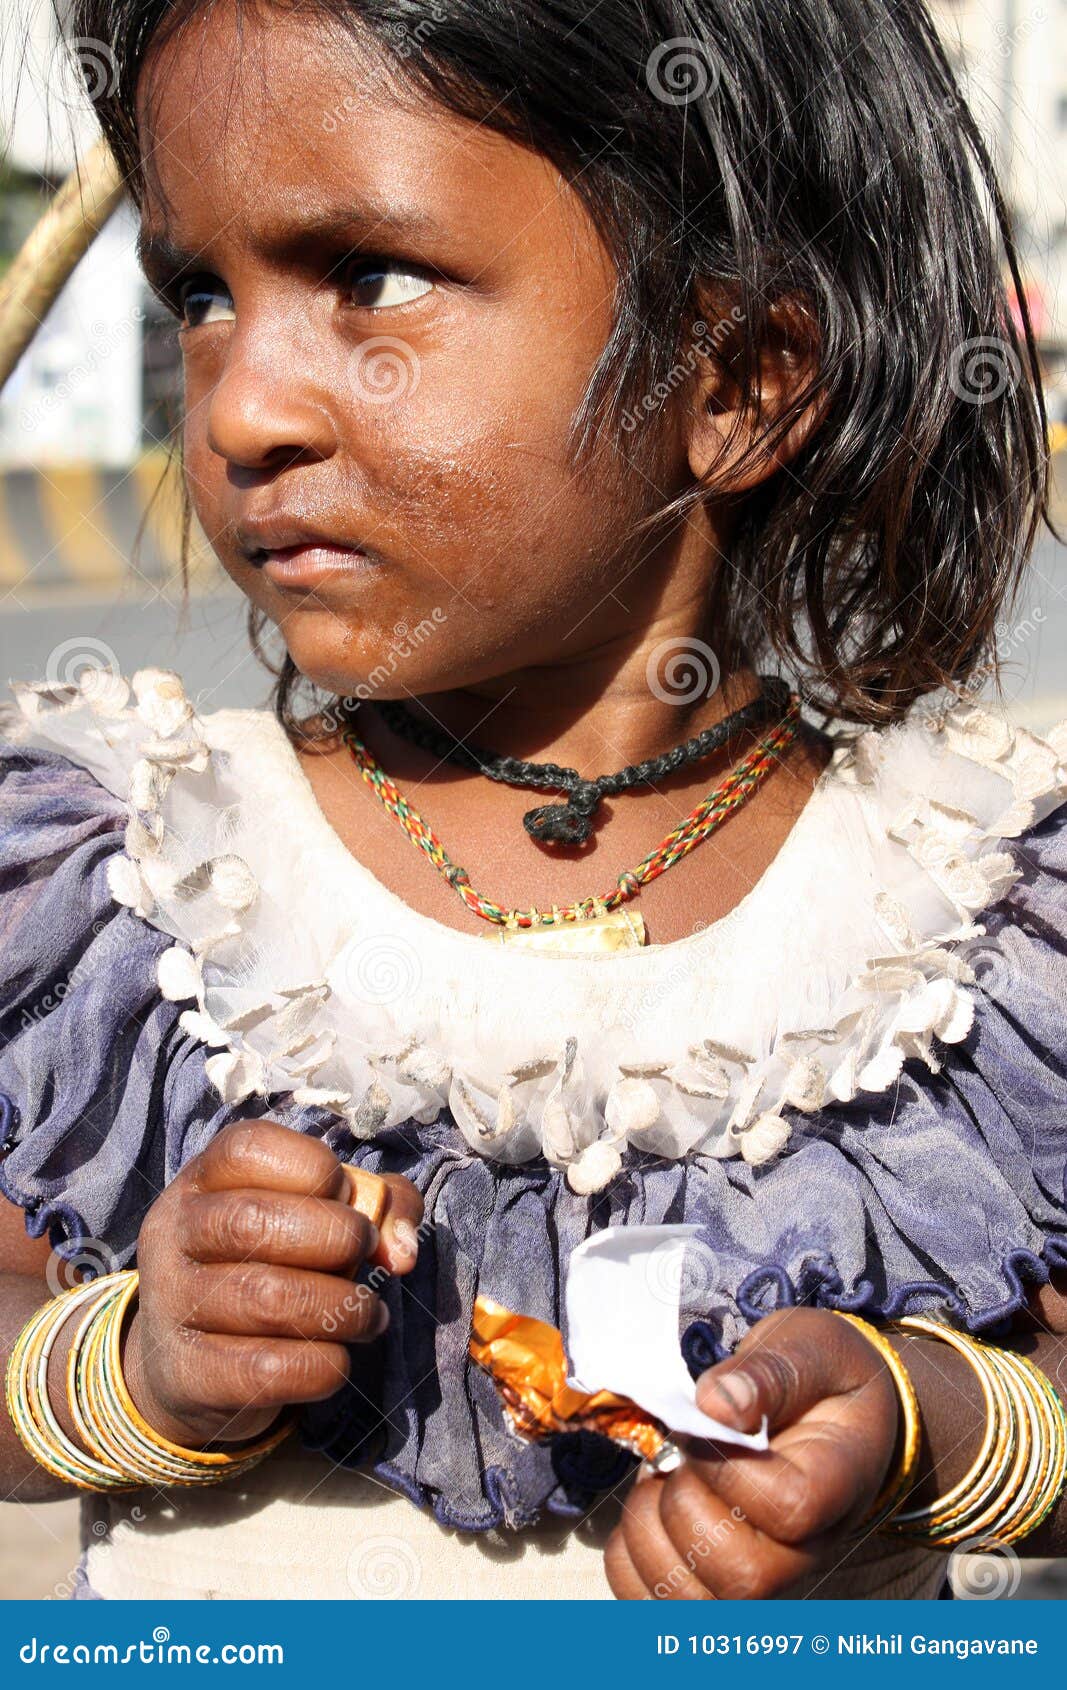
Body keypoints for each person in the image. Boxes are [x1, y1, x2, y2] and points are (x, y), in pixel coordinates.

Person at [1, 0, 1065, 1602]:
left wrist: (928, 1418)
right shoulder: (129, 890)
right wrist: (135, 1362)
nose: (239, 411)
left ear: (740, 378)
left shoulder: (982, 921)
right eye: (202, 295)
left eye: (369, 276)